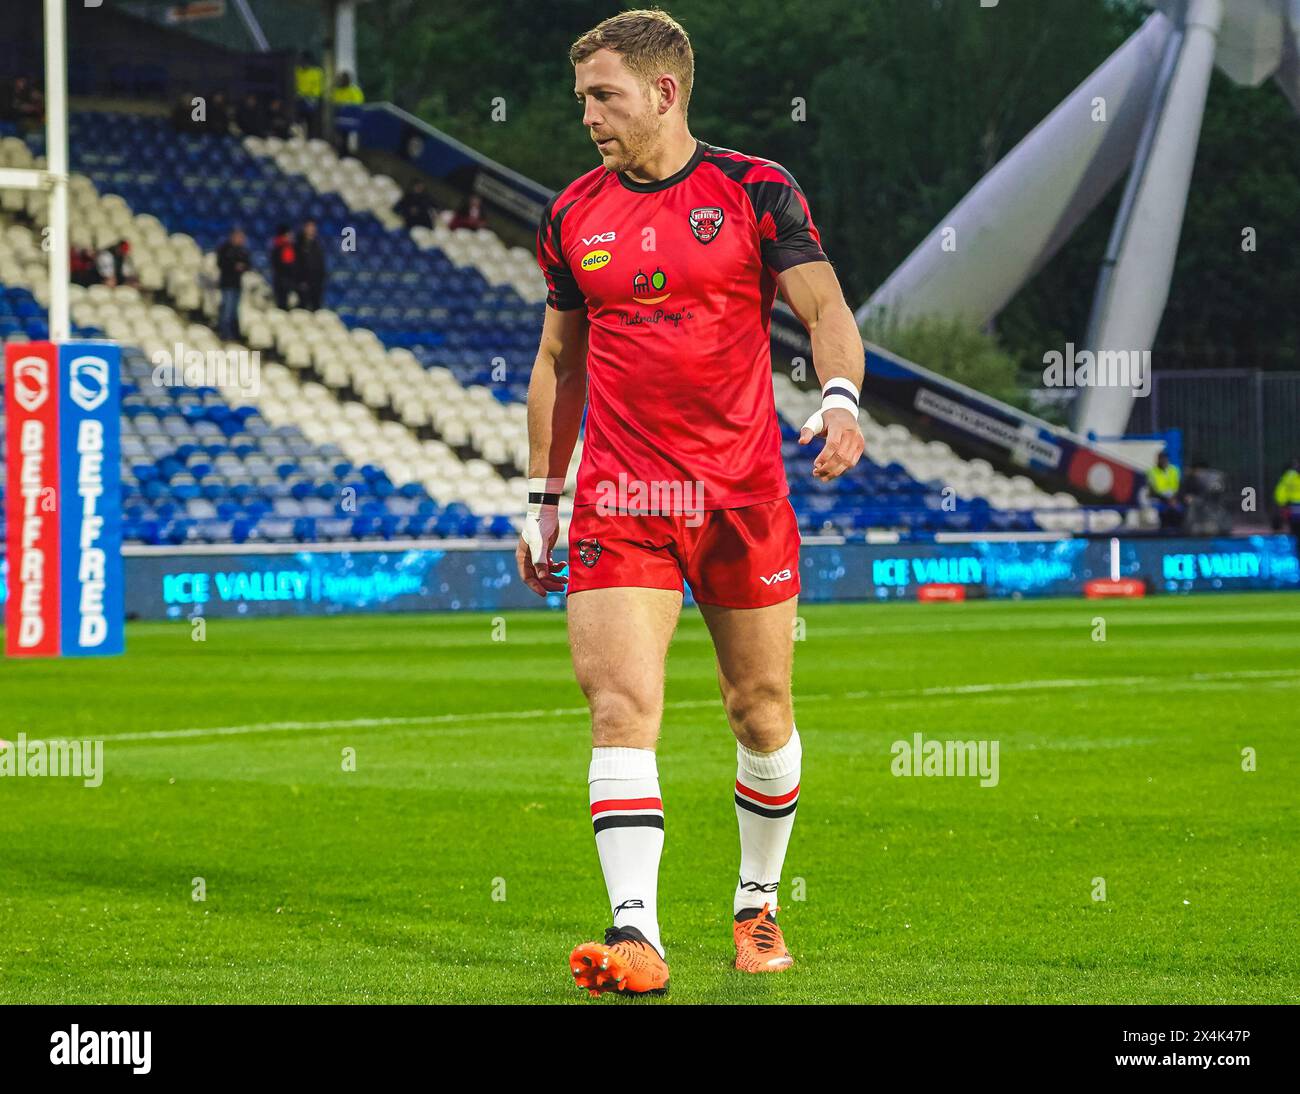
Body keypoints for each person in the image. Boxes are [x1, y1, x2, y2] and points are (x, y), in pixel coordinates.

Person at [518, 9, 864, 996]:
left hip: (742, 495)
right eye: (583, 95)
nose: (587, 114)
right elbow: (556, 362)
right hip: (621, 496)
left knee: (759, 712)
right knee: (619, 706)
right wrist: (543, 497)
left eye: (603, 95)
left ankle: (755, 902)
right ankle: (636, 933)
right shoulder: (571, 215)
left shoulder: (755, 190)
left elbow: (827, 310)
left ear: (663, 94)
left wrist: (838, 398)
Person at [215, 228, 250, 340]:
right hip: (227, 283)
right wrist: (234, 266)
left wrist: (243, 266)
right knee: (227, 310)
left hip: (237, 284)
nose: (241, 240)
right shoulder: (225, 249)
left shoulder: (242, 250)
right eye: (239, 237)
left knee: (234, 311)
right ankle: (225, 333)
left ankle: (235, 334)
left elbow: (248, 264)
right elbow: (221, 263)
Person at [1147, 450, 1184, 533]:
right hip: (1160, 499)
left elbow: (1180, 486)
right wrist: (1167, 500)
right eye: (1161, 459)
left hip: (1174, 498)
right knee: (1163, 511)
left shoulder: (1175, 470)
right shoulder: (1152, 472)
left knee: (1179, 510)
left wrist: (1174, 498)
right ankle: (1163, 532)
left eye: (1165, 459)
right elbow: (1152, 490)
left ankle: (1178, 532)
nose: (1164, 461)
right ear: (1158, 460)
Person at [294, 219, 326, 310]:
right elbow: (296, 265)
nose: (312, 229)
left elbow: (320, 265)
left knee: (316, 308)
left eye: (313, 227)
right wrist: (300, 281)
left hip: (316, 285)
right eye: (309, 227)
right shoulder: (298, 245)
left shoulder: (317, 246)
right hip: (302, 285)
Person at [269, 224, 297, 309]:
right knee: (283, 306)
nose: (291, 236)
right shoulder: (284, 248)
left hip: (282, 281)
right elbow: (287, 265)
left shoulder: (277, 246)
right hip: (283, 281)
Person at [295, 52, 323, 135]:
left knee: (311, 121)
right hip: (298, 99)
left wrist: (310, 96)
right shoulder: (297, 71)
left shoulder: (317, 72)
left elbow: (318, 87)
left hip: (311, 100)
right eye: (302, 61)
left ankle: (311, 137)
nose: (303, 64)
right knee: (297, 122)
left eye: (305, 62)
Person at [1274, 457, 1300, 537]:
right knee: (1295, 529)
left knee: (1295, 530)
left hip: (1293, 506)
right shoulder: (1290, 475)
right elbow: (1281, 490)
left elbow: (1281, 490)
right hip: (1294, 506)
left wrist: (1282, 503)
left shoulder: (1289, 475)